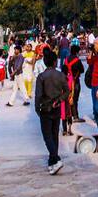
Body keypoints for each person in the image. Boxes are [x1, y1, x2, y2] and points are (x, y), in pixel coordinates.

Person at [34, 46, 68, 174]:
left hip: (45, 108)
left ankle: (56, 158)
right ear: (55, 62)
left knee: (47, 136)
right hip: (56, 107)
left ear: (44, 62)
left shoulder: (41, 77)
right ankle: (52, 161)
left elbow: (38, 95)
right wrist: (59, 100)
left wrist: (37, 108)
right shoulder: (60, 75)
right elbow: (67, 91)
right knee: (54, 135)